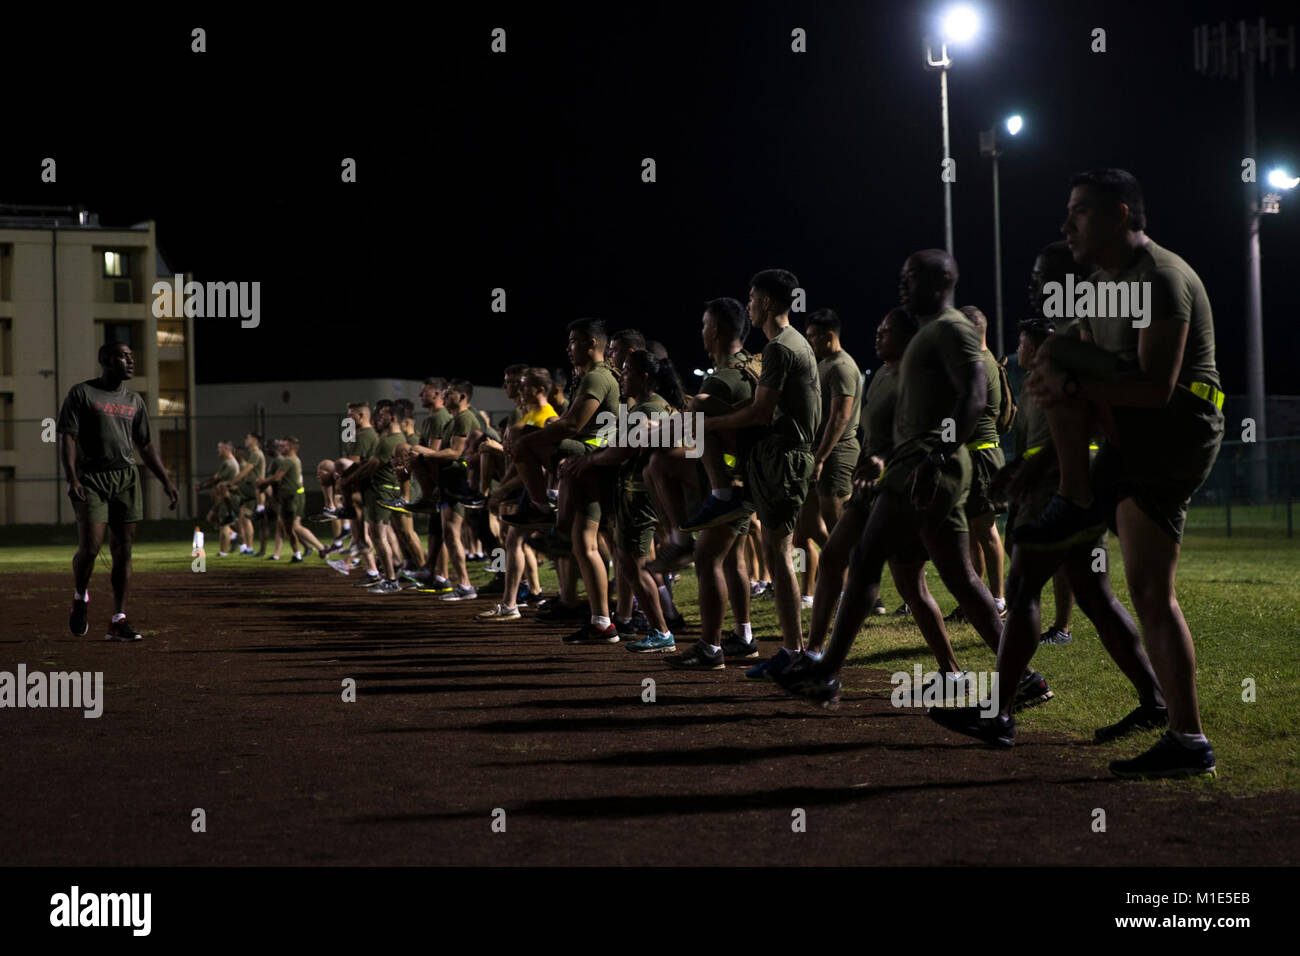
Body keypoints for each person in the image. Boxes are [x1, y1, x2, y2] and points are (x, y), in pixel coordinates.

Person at [966, 169, 1223, 777]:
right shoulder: (1103, 284)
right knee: (1110, 586)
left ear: (1123, 215)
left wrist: (1070, 383)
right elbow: (1084, 386)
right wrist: (1041, 465)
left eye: (1080, 211)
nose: (1066, 224)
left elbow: (1157, 390)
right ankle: (1177, 730)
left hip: (1175, 428)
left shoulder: (1159, 277)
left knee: (1145, 591)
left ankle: (1186, 738)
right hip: (1130, 434)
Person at [776, 251, 1045, 708]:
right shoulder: (923, 340)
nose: (904, 282)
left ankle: (826, 669)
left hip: (926, 470)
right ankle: (1024, 677)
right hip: (909, 467)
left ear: (943, 280)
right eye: (902, 275)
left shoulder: (953, 329)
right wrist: (880, 456)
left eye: (913, 276)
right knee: (956, 576)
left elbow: (975, 396)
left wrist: (935, 456)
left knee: (864, 560)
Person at [930, 316, 1167, 749]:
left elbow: (1078, 435)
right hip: (1057, 491)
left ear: (1034, 346)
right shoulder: (1037, 381)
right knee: (1095, 598)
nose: (1017, 350)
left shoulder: (1059, 377)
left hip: (1058, 494)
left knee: (1025, 593)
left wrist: (1042, 482)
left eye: (1021, 342)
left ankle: (1000, 712)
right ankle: (1155, 700)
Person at [680, 269, 822, 678]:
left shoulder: (779, 348)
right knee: (777, 553)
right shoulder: (795, 344)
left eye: (754, 297)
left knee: (779, 555)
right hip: (785, 456)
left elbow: (760, 413)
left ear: (772, 304)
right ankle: (792, 650)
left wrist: (709, 426)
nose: (749, 305)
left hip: (783, 459)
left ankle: (793, 652)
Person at [58, 341, 179, 642]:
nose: (131, 361)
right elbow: (68, 438)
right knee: (90, 548)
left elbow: (146, 445)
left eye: (132, 356)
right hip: (92, 478)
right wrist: (72, 477)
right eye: (124, 357)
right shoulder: (82, 393)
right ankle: (80, 596)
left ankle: (118, 619)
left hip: (126, 478)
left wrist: (166, 480)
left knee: (123, 550)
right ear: (107, 361)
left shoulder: (134, 401)